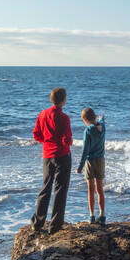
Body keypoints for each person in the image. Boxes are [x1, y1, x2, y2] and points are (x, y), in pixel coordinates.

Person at [30, 87, 73, 234]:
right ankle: (55, 226)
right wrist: (66, 143)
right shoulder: (64, 118)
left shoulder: (43, 114)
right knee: (60, 189)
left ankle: (37, 222)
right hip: (62, 155)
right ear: (63, 100)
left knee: (46, 187)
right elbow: (67, 139)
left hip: (47, 155)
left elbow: (36, 134)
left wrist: (47, 142)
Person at [76, 108, 106, 225]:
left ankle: (92, 215)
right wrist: (101, 117)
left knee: (90, 189)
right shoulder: (103, 127)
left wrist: (80, 166)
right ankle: (102, 215)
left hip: (90, 161)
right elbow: (102, 120)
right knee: (100, 189)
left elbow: (85, 150)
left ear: (85, 120)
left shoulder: (88, 131)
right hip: (101, 160)